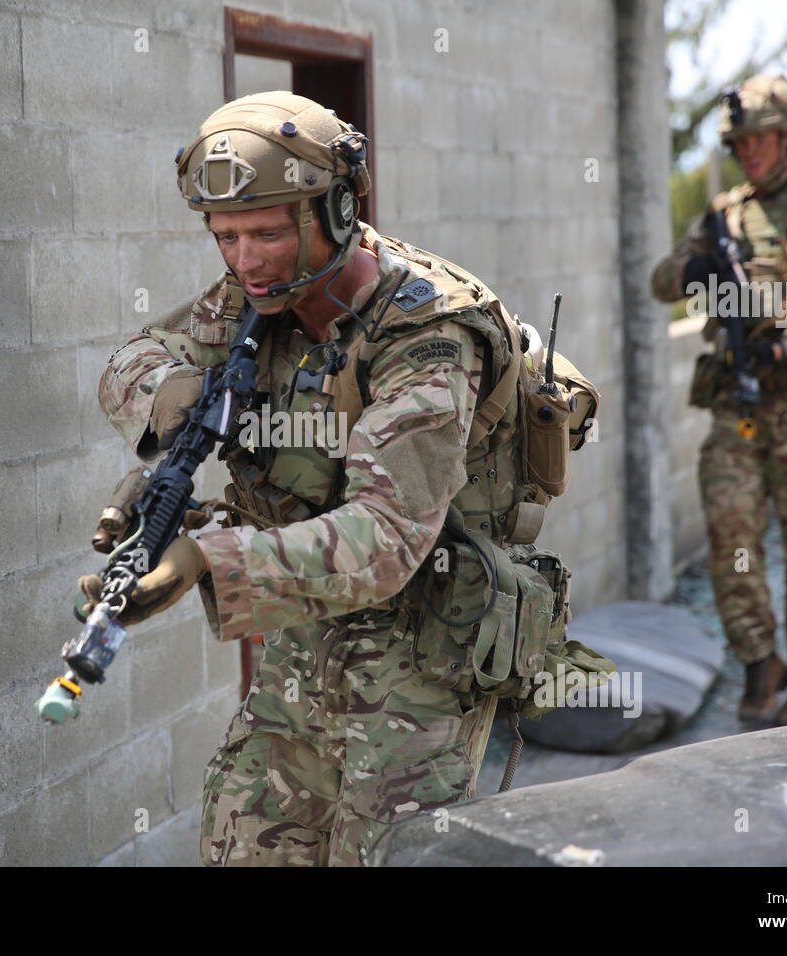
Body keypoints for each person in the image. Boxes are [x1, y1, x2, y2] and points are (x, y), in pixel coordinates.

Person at [87, 91, 597, 866]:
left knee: (387, 854)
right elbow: (131, 358)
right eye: (225, 236)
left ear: (336, 209)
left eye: (266, 233)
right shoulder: (261, 294)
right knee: (241, 839)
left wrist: (203, 562)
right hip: (305, 636)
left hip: (422, 659)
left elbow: (385, 541)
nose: (245, 261)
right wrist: (178, 401)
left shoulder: (428, 335)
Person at [650, 75, 787, 726]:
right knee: (731, 538)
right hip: (738, 409)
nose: (749, 151)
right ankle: (758, 662)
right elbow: (661, 282)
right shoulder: (723, 216)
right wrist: (698, 271)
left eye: (761, 139)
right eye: (740, 142)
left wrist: (785, 354)